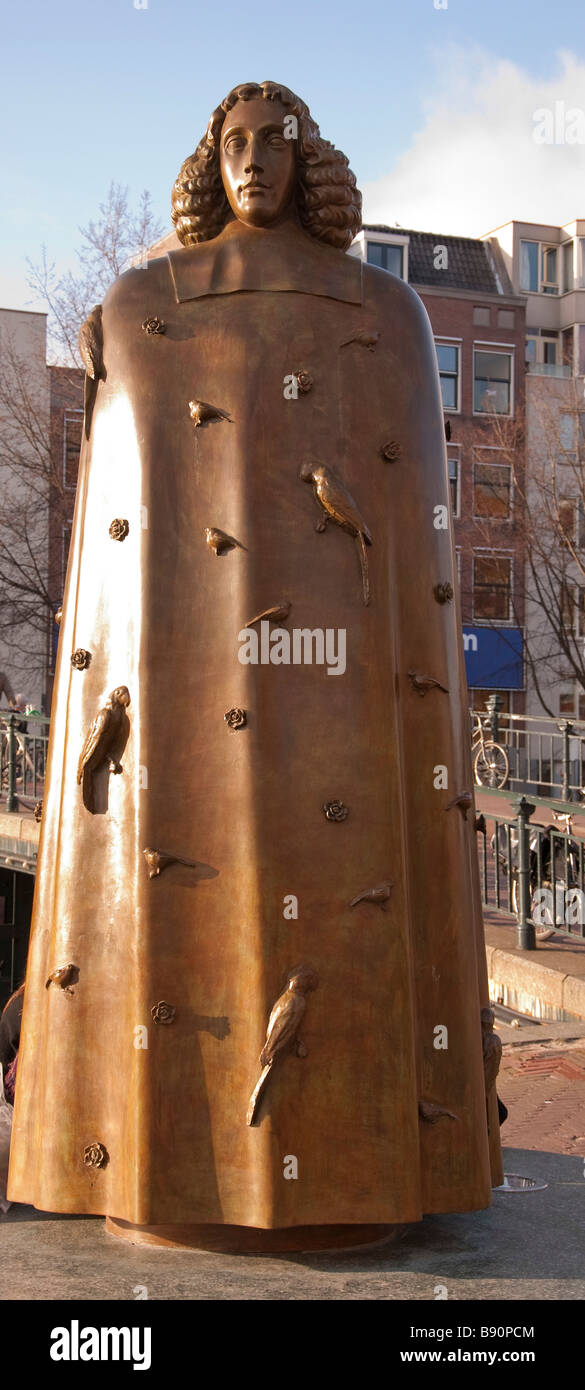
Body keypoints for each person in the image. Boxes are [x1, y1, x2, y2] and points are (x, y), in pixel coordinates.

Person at [9, 81, 502, 1248]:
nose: (252, 162)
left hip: (341, 702)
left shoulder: (387, 310)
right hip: (182, 700)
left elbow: (406, 528)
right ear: (209, 158)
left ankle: (347, 1160)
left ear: (305, 156)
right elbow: (123, 552)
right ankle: (158, 1152)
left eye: (272, 142)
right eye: (232, 144)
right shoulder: (144, 305)